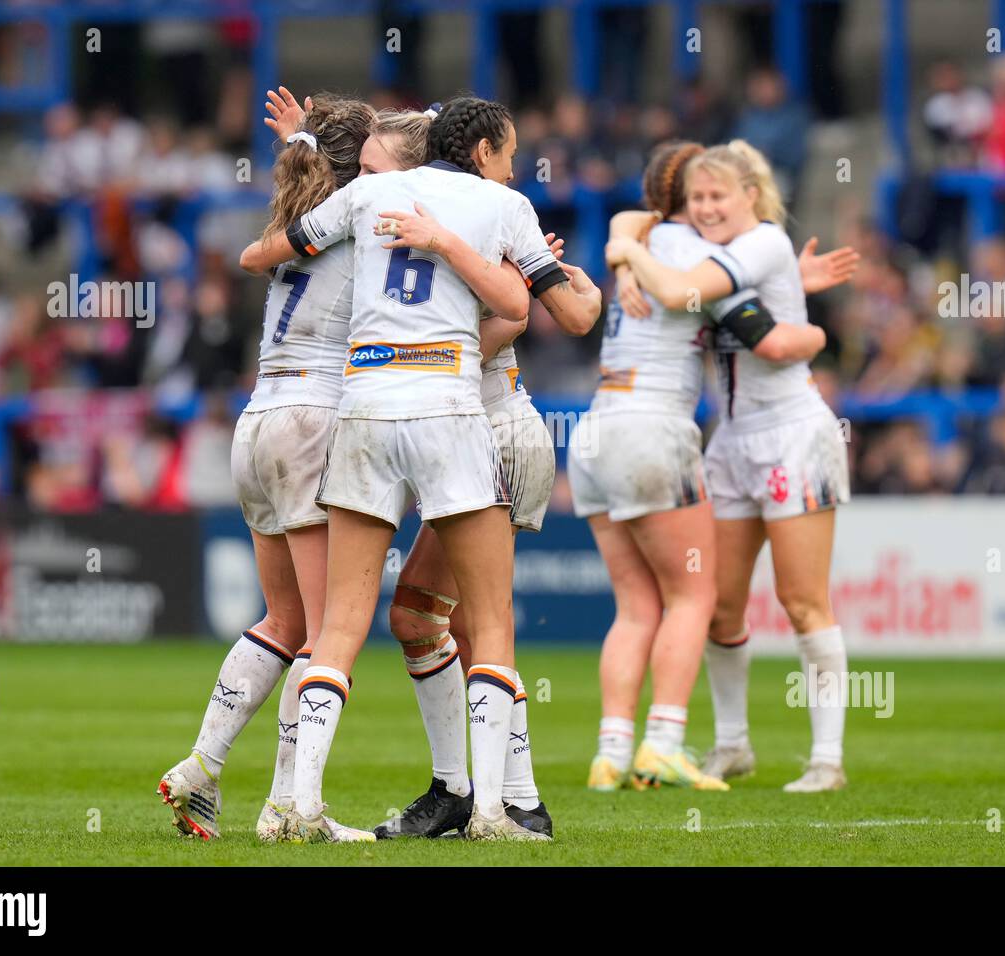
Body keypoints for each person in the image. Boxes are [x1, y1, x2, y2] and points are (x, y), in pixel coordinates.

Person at [238, 95, 601, 842]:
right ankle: (491, 806)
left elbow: (266, 251)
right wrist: (568, 285)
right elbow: (553, 312)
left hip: (397, 412)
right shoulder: (498, 203)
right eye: (508, 151)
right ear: (483, 152)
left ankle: (309, 805)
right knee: (467, 623)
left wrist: (306, 155)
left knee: (366, 624)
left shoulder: (369, 199)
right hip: (452, 412)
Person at [588, 142, 852, 792]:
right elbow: (634, 226)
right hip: (730, 439)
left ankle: (827, 759)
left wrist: (812, 334)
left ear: (751, 199)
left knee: (800, 600)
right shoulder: (701, 247)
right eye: (699, 198)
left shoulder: (760, 243)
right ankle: (732, 744)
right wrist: (628, 252)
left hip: (791, 431)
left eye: (718, 198)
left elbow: (716, 308)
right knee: (719, 607)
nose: (706, 208)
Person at [157, 94, 377, 842]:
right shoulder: (361, 216)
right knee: (323, 634)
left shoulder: (295, 215)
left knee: (283, 621)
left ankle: (201, 767)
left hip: (257, 422)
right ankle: (286, 806)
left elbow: (265, 242)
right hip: (313, 421)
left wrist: (301, 143)